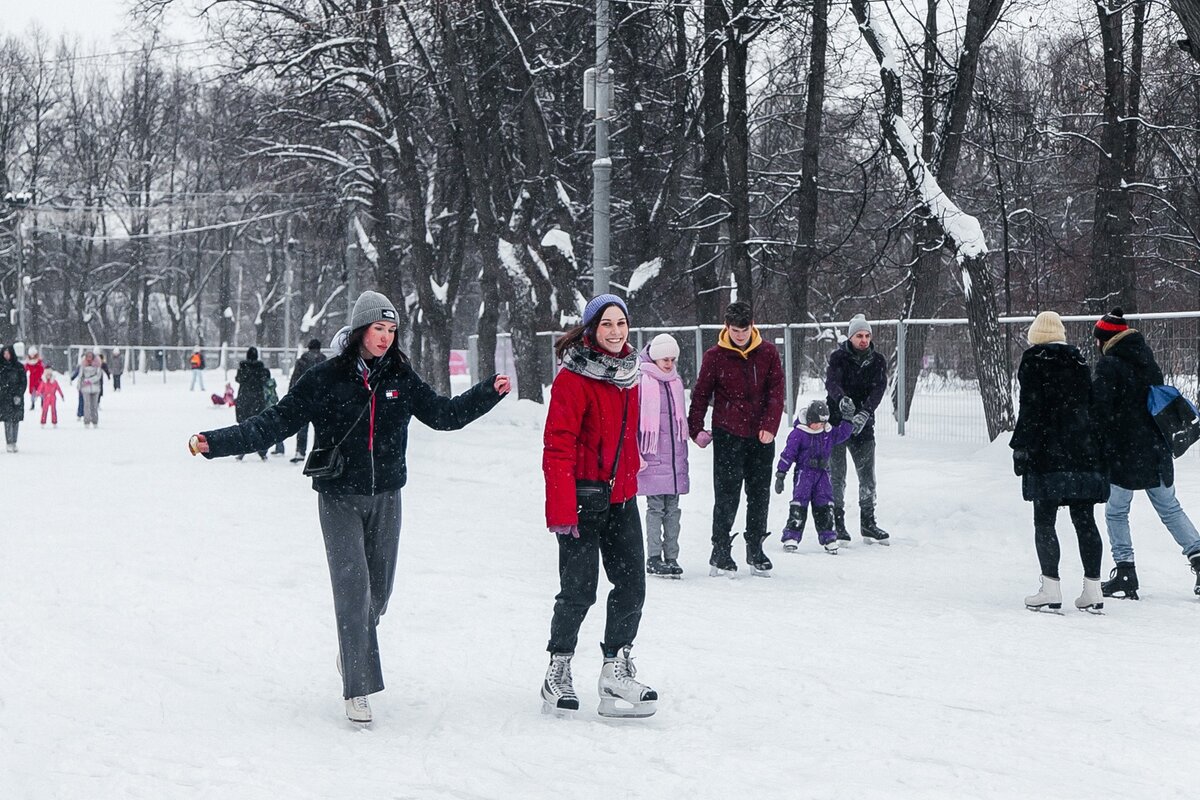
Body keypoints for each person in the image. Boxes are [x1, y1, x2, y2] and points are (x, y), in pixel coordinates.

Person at [189, 289, 510, 725]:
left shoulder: (400, 376)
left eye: (392, 330)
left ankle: (351, 648)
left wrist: (488, 392)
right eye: (379, 328)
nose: (385, 337)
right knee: (353, 591)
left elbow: (443, 414)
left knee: (377, 595)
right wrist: (218, 442)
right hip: (339, 497)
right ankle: (357, 688)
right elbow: (275, 423)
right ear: (361, 329)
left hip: (387, 498)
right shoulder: (325, 378)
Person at [541, 293, 657, 719]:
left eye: (621, 324)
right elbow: (557, 446)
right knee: (579, 589)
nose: (614, 332)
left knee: (632, 585)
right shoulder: (573, 379)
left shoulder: (629, 375)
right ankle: (558, 669)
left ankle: (615, 669)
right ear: (591, 329)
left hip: (622, 498)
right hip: (581, 500)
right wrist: (561, 510)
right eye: (606, 324)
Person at [1090, 308, 1200, 599]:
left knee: (1116, 512)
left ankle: (1126, 571)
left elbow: (1101, 410)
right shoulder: (1147, 361)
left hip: (1124, 453)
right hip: (1155, 449)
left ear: (1106, 340)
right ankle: (1199, 558)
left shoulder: (1109, 366)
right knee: (1170, 508)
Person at [1010, 312, 1108, 614]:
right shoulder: (1079, 362)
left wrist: (1020, 447)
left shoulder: (1033, 361)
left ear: (1035, 335)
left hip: (1047, 451)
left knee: (1044, 519)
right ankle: (1093, 589)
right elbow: (1092, 406)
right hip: (1082, 450)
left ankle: (1050, 588)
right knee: (1085, 520)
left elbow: (1030, 408)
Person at [687, 301, 785, 577]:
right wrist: (696, 429)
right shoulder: (715, 356)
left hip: (761, 437)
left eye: (744, 330)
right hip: (728, 433)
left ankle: (755, 547)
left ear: (752, 326)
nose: (739, 336)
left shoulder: (767, 353)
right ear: (726, 328)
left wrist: (770, 425)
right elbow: (701, 393)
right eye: (735, 331)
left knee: (759, 494)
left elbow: (777, 392)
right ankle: (720, 549)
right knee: (727, 494)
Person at [825, 313, 891, 545]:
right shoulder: (838, 358)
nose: (863, 340)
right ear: (851, 337)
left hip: (864, 425)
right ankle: (837, 523)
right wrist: (842, 401)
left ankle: (868, 522)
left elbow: (878, 389)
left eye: (866, 335)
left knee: (867, 475)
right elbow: (831, 382)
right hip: (836, 423)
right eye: (859, 335)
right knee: (837, 474)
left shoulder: (878, 361)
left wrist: (865, 412)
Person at [637, 333, 689, 579]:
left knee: (674, 511)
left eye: (672, 359)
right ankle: (654, 557)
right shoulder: (643, 382)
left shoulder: (675, 382)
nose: (668, 363)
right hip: (653, 458)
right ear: (654, 358)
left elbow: (681, 423)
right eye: (664, 359)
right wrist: (636, 453)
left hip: (674, 460)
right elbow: (635, 422)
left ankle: (672, 557)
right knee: (655, 508)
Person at [774, 400, 854, 555]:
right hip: (804, 473)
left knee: (825, 504)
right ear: (810, 420)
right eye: (817, 423)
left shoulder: (828, 432)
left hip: (823, 474)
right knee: (799, 503)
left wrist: (848, 417)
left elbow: (843, 433)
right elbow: (788, 454)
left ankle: (829, 537)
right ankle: (791, 536)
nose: (820, 426)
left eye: (823, 423)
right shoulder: (799, 434)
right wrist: (781, 473)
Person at [289, 339, 326, 463]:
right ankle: (319, 451)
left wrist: (292, 394)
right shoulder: (325, 360)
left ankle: (300, 452)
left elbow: (295, 379)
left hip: (304, 398)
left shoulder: (301, 361)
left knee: (302, 426)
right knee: (320, 428)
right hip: (321, 399)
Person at [234, 347, 271, 461]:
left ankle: (242, 449)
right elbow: (266, 379)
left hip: (244, 399)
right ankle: (262, 451)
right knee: (258, 426)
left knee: (244, 426)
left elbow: (238, 379)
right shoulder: (261, 369)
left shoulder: (243, 369)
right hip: (258, 400)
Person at [1, 344, 25, 452]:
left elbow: (23, 382)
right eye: (4, 353)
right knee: (7, 420)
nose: (6, 355)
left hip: (16, 397)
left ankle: (14, 441)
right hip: (4, 397)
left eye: (8, 352)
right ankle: (9, 442)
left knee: (15, 420)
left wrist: (19, 394)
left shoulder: (19, 366)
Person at [77, 350, 105, 427]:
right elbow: (80, 376)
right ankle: (86, 421)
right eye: (87, 356)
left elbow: (98, 376)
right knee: (87, 405)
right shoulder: (83, 365)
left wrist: (89, 380)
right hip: (85, 388)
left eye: (90, 356)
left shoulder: (97, 364)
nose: (89, 358)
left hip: (95, 388)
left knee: (94, 405)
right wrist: (79, 385)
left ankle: (95, 421)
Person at [24, 346, 44, 411]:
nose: (32, 355)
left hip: (38, 378)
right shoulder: (28, 362)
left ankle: (42, 403)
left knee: (41, 391)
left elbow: (42, 369)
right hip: (32, 379)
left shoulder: (39, 361)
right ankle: (32, 404)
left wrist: (39, 372)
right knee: (32, 392)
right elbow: (25, 369)